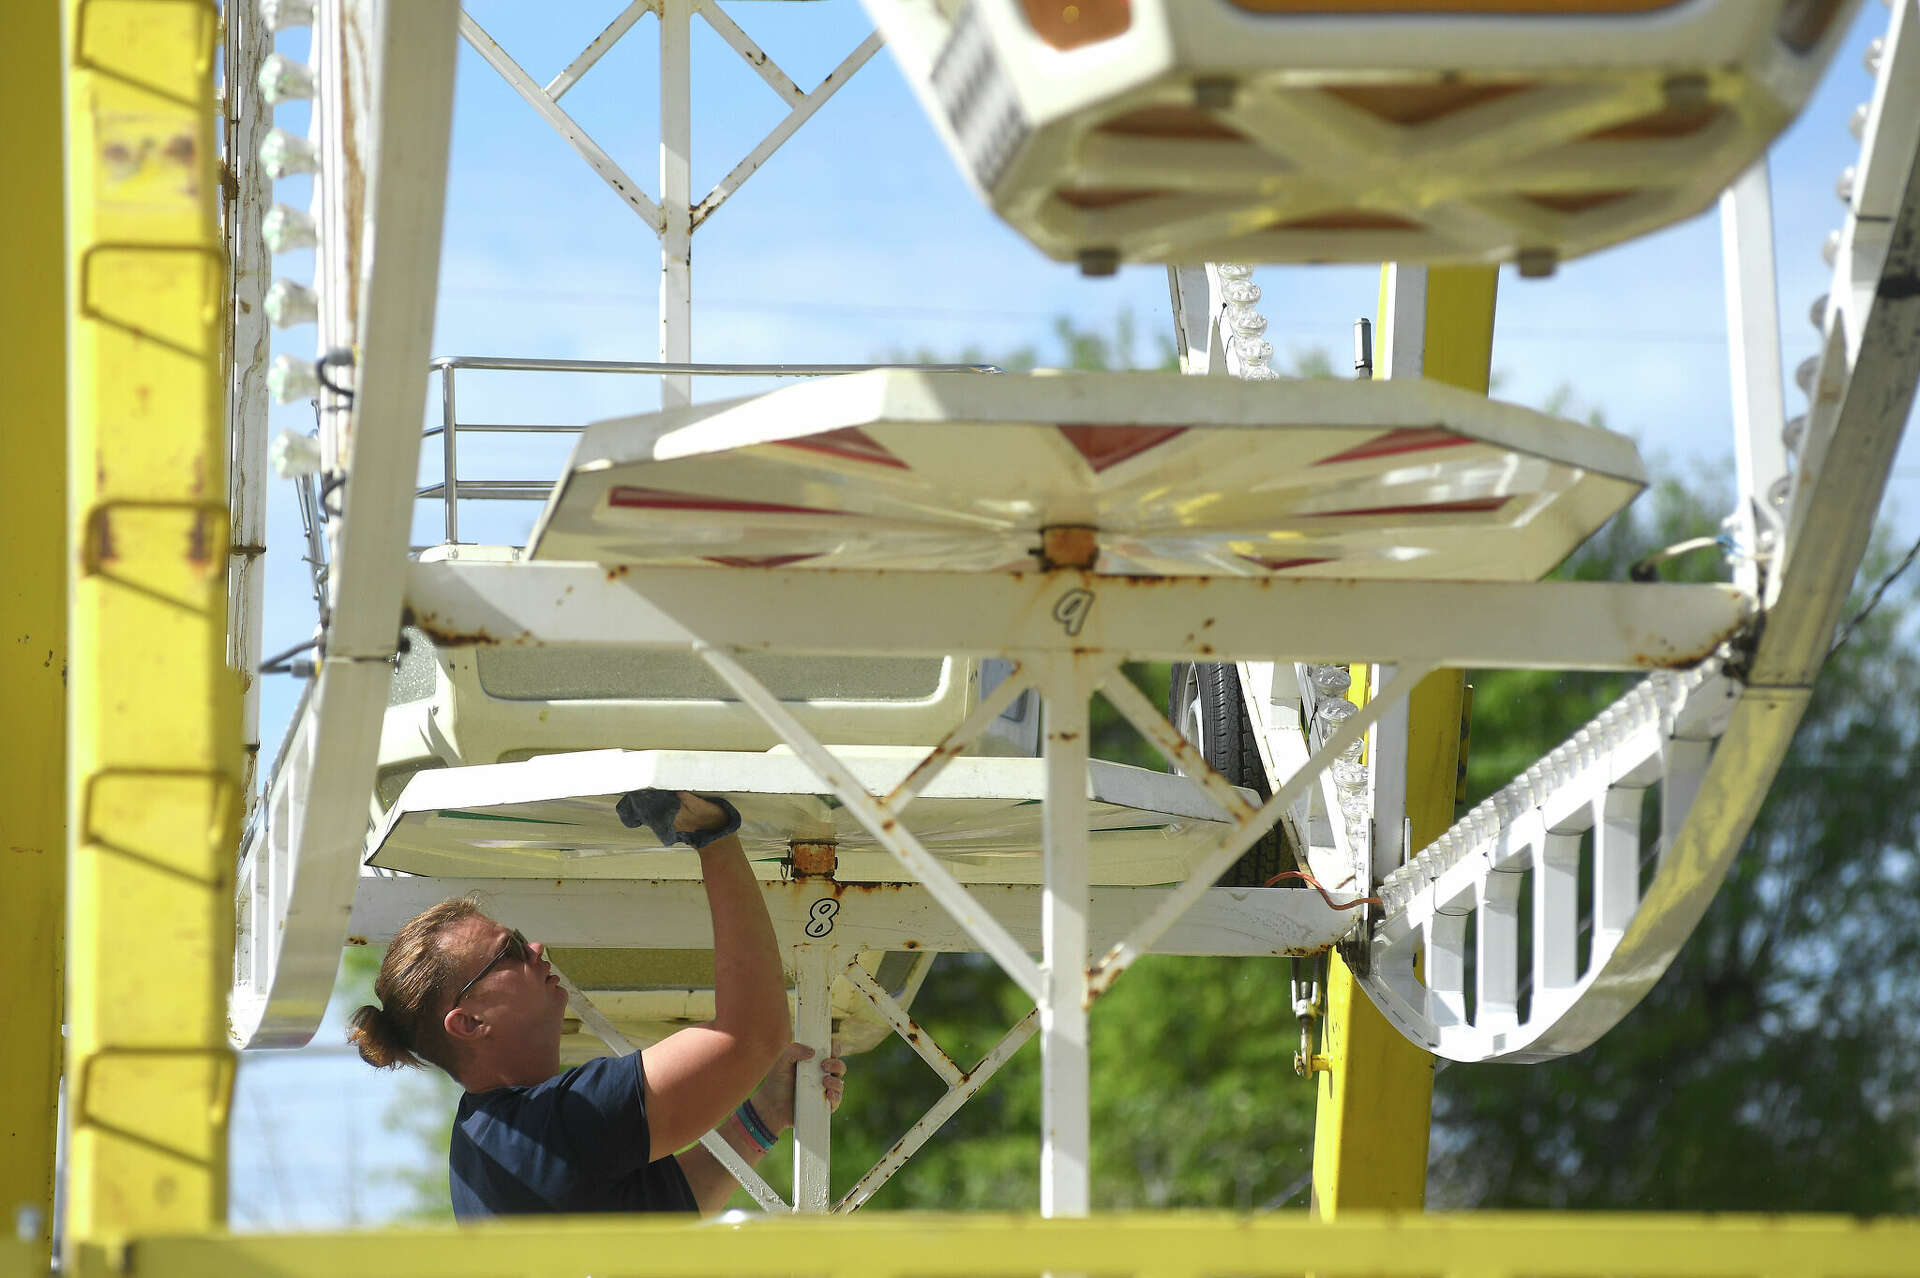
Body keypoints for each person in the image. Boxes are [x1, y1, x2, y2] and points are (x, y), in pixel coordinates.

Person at [347, 789, 845, 1217]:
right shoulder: (546, 1125)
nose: (536, 949)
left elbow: (661, 1210)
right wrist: (711, 835)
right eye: (511, 951)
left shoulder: (491, 1145)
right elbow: (750, 1035)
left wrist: (762, 1115)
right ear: (470, 1022)